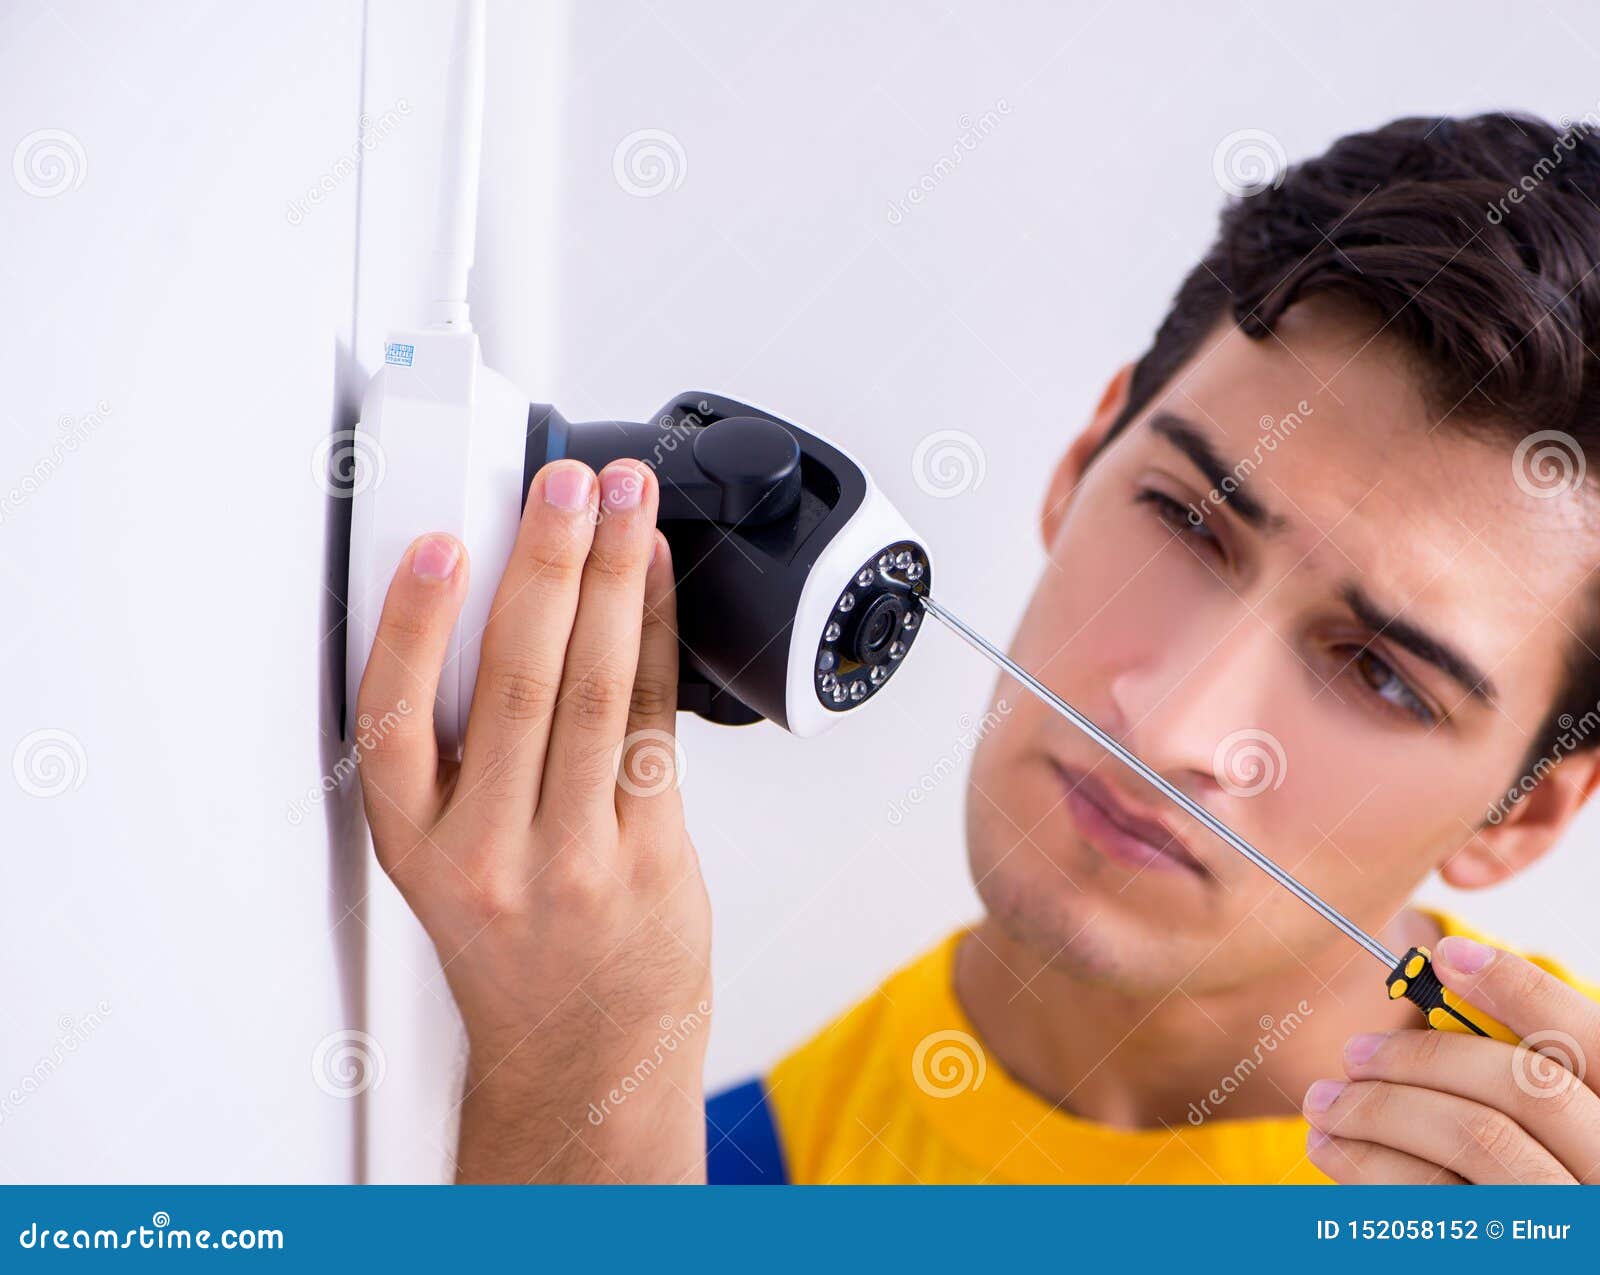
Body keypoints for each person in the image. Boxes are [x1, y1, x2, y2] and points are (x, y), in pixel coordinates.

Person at [354, 113, 1600, 1185]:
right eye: (1186, 520)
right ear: (1081, 463)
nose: (1167, 726)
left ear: (1528, 814)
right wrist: (589, 1097)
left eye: (1379, 672)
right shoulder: (700, 1170)